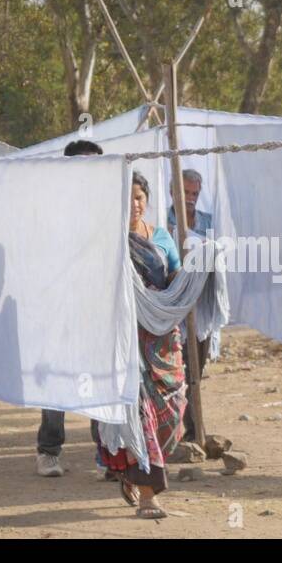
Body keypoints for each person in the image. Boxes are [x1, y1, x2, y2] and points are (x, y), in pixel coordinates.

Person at [96, 170, 187, 519]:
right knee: (139, 412)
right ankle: (149, 494)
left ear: (147, 200)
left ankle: (129, 471)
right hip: (127, 338)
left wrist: (194, 275)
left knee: (174, 412)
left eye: (139, 197)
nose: (133, 204)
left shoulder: (161, 237)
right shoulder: (109, 240)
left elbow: (174, 273)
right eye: (127, 198)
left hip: (163, 337)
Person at [35, 138, 105, 478]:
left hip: (98, 305)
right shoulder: (52, 208)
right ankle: (49, 451)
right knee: (56, 378)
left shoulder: (110, 206)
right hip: (59, 305)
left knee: (104, 375)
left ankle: (106, 451)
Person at [167, 168, 215, 441]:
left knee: (198, 370)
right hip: (175, 311)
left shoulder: (208, 222)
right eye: (184, 192)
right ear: (173, 192)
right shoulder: (164, 223)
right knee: (179, 370)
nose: (190, 198)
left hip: (203, 309)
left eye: (195, 193)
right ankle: (187, 432)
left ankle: (194, 431)